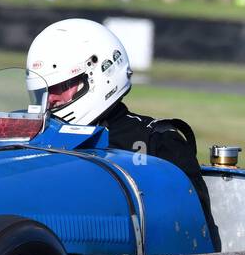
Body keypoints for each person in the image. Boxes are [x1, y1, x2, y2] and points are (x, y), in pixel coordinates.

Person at [26, 18, 200, 181]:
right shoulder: (33, 140)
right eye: (41, 91)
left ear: (100, 75)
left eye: (59, 87)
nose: (49, 100)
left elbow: (189, 211)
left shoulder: (158, 143)